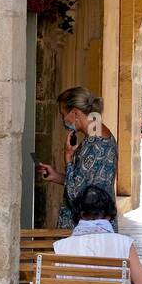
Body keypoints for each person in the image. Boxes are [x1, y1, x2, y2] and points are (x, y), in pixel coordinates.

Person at [37, 87, 119, 232]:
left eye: (63, 114)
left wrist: (68, 158)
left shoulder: (93, 144)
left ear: (75, 112)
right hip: (99, 225)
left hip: (87, 229)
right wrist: (56, 176)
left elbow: (75, 193)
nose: (63, 120)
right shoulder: (101, 135)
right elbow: (87, 181)